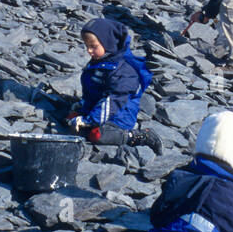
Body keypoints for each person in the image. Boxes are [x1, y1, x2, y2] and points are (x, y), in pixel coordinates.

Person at [67, 18, 162, 156]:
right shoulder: (101, 61)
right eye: (86, 45)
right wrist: (83, 108)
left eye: (93, 46)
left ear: (108, 43)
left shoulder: (124, 70)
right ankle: (89, 120)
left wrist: (89, 120)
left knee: (97, 136)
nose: (89, 50)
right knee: (71, 121)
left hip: (119, 115)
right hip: (98, 109)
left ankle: (138, 136)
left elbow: (113, 100)